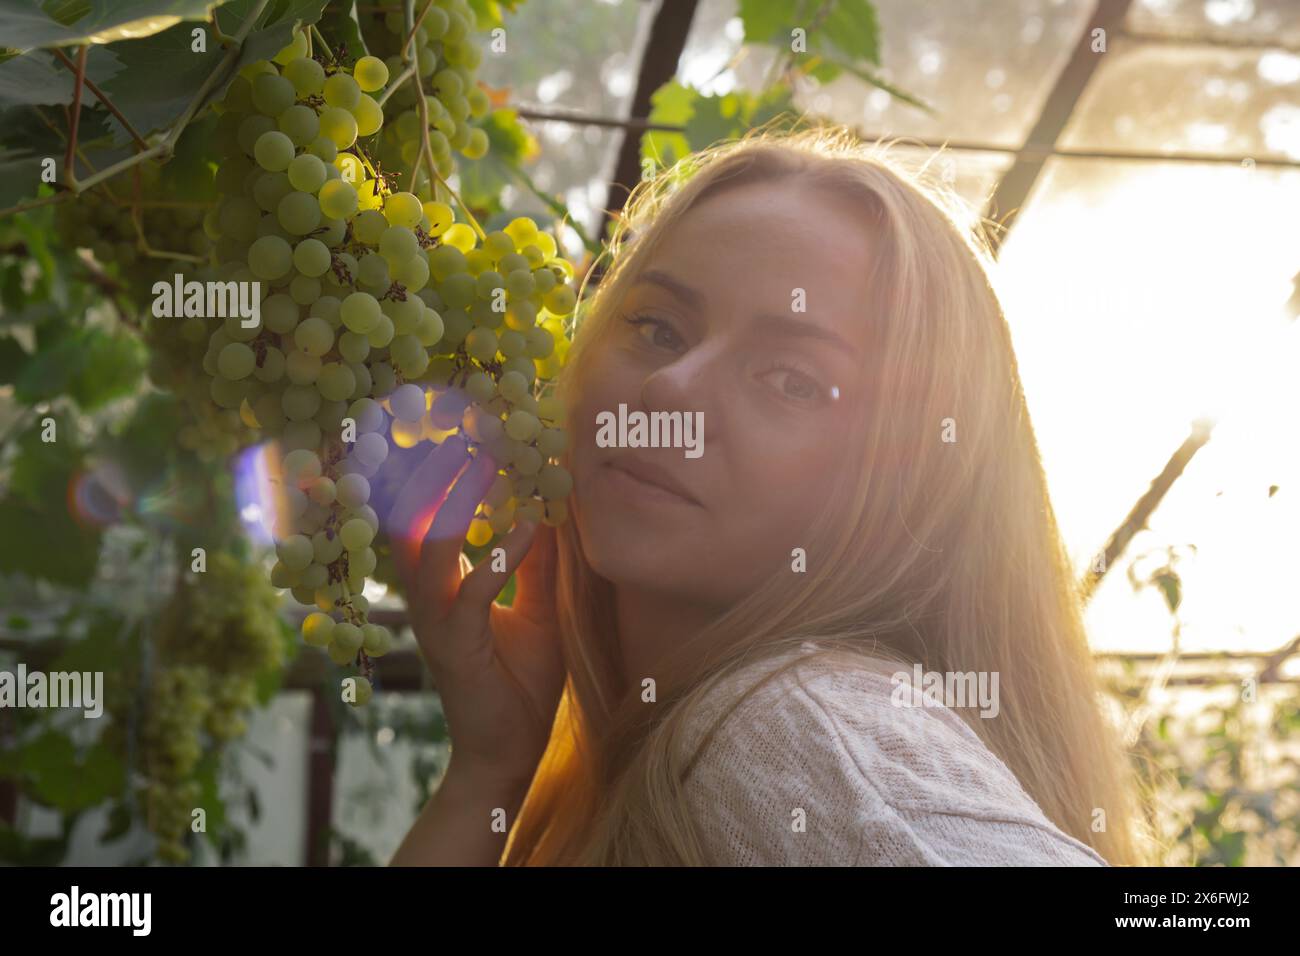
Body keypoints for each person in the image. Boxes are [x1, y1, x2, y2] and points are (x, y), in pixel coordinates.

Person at [387, 125, 1149, 866]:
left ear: (912, 484)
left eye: (793, 380)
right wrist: (489, 770)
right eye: (657, 329)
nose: (671, 389)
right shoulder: (691, 743)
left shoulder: (794, 726)